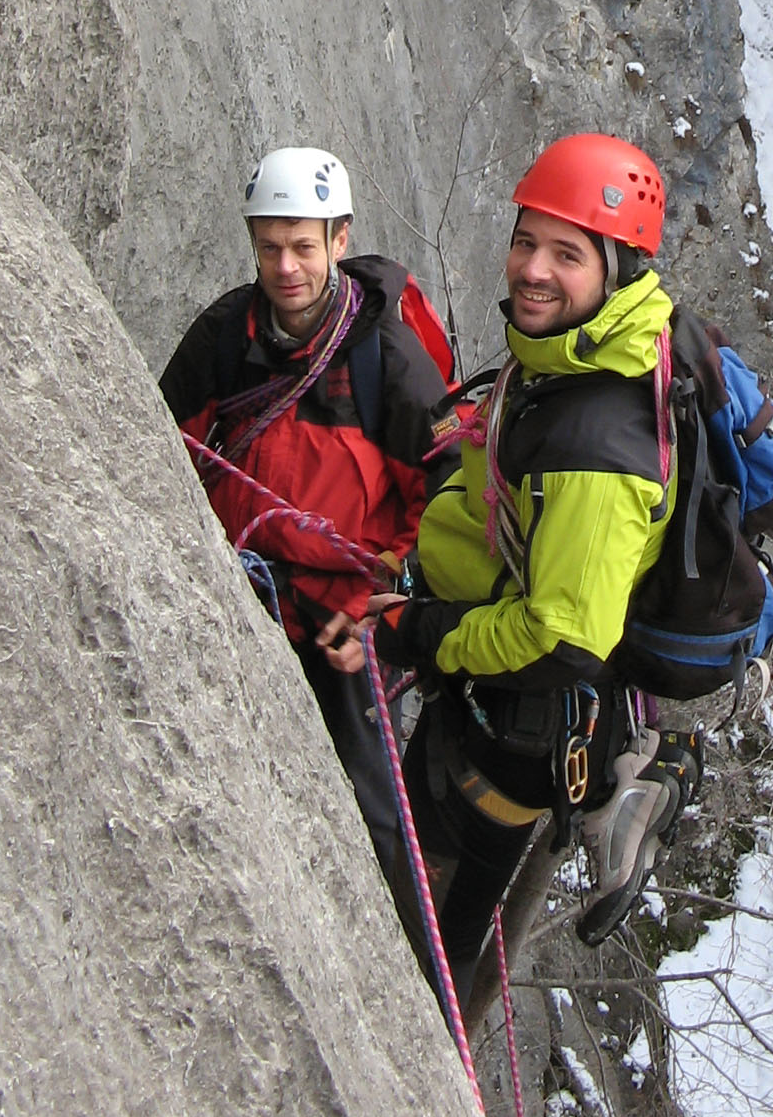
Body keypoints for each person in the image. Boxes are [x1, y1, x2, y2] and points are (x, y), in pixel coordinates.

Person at [317, 131, 700, 1012]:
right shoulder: (574, 355)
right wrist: (413, 575)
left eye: (566, 253)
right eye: (527, 240)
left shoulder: (598, 446)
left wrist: (416, 628)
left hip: (518, 739)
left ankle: (400, 1042)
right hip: (491, 700)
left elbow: (561, 636)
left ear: (616, 267)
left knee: (410, 937)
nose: (532, 268)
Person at [161, 145, 457, 881]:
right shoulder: (227, 337)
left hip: (339, 620)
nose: (285, 267)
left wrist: (381, 609)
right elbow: (165, 452)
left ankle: (410, 978)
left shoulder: (386, 359)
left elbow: (443, 498)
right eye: (269, 248)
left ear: (339, 239)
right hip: (243, 591)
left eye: (302, 246)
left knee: (373, 817)